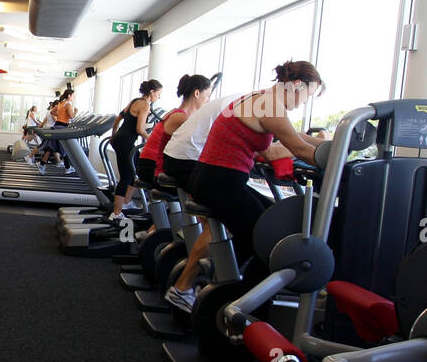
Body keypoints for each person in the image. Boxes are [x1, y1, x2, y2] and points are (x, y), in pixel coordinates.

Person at [164, 61, 326, 314]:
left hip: (214, 178)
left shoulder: (262, 99)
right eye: (309, 94)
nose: (306, 101)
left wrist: (337, 143)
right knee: (269, 239)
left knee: (270, 220)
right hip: (220, 181)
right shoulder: (270, 104)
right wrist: (334, 160)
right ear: (296, 85)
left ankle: (215, 273)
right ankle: (242, 308)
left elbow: (299, 137)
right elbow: (299, 148)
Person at [137, 74, 211, 184]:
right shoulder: (181, 118)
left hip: (147, 164)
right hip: (151, 167)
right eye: (208, 95)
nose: (208, 100)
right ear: (197, 93)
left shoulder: (176, 112)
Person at [109, 79, 163, 223]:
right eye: (158, 93)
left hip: (119, 140)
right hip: (126, 142)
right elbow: (140, 130)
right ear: (152, 92)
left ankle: (126, 203)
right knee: (127, 177)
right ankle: (116, 213)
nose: (159, 97)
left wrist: (113, 136)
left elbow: (117, 120)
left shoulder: (134, 101)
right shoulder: (145, 104)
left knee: (136, 170)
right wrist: (153, 139)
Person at [39, 89, 77, 168]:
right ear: (69, 95)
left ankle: (42, 164)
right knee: (64, 147)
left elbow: (52, 112)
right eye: (73, 95)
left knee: (52, 145)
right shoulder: (68, 104)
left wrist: (59, 115)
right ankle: (67, 167)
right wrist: (76, 111)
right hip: (63, 127)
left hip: (57, 125)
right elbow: (71, 116)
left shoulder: (60, 103)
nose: (74, 97)